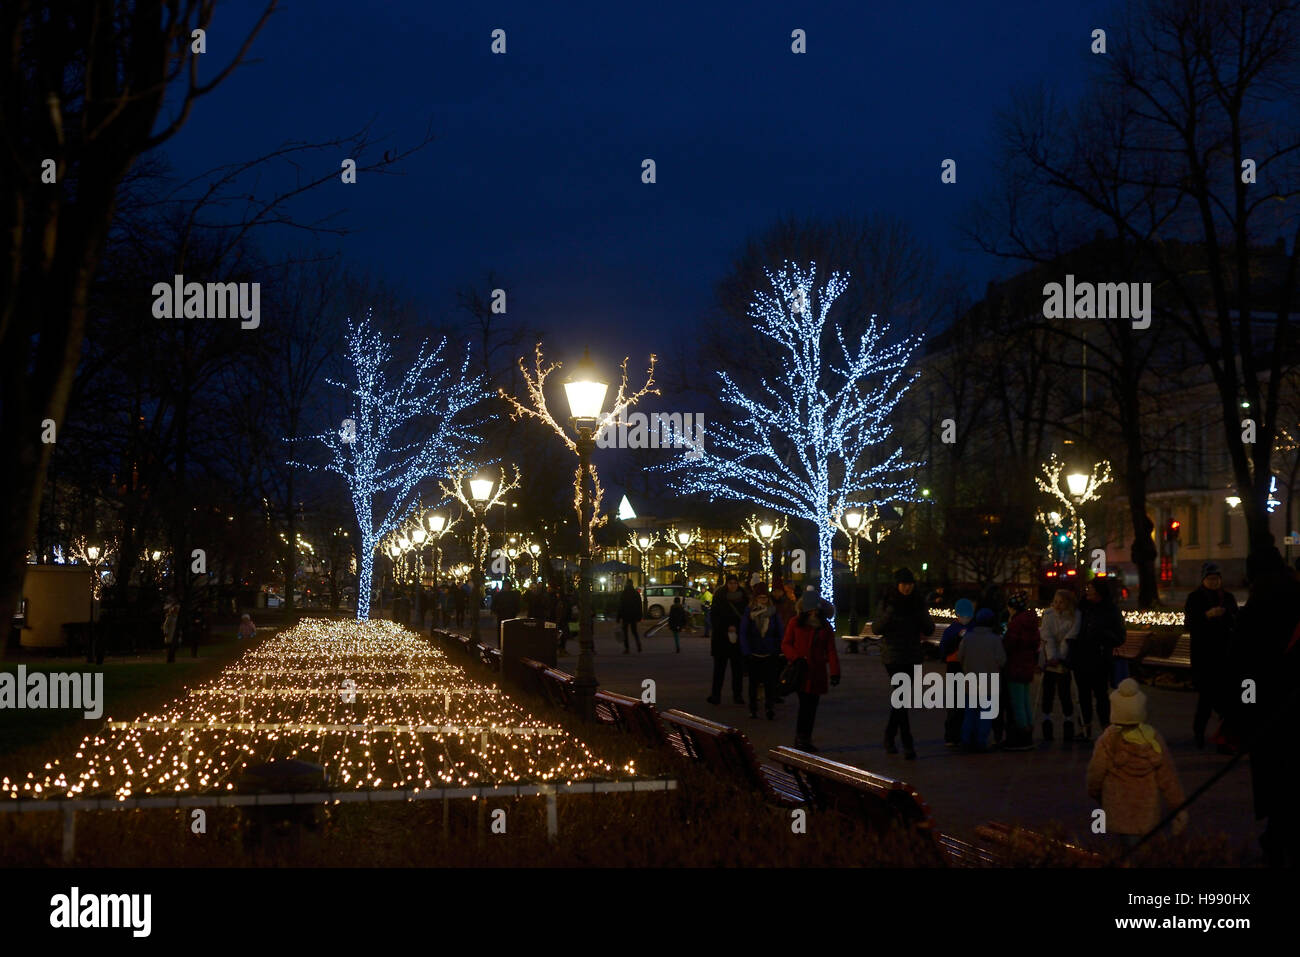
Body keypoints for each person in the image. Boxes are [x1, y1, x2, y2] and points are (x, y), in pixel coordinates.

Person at [1232, 547, 1300, 867]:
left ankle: (1277, 835)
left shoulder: (1254, 610)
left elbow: (1244, 669)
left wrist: (1249, 707)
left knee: (1273, 774)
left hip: (1267, 712)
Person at [1086, 678, 1187, 847]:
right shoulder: (1153, 739)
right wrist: (1178, 807)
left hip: (1117, 808)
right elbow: (1168, 778)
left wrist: (1097, 795)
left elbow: (1095, 774)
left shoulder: (1107, 740)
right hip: (1146, 811)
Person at [873, 567, 935, 760]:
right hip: (893, 654)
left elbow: (929, 628)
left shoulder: (918, 603)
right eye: (903, 584)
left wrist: (922, 618)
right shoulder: (887, 601)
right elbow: (877, 628)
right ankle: (907, 741)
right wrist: (889, 614)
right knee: (901, 696)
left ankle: (890, 736)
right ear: (896, 584)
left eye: (910, 584)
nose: (906, 588)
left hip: (912, 654)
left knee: (902, 699)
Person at [1183, 561, 1238, 749]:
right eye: (1210, 578)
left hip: (1224, 656)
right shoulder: (1195, 598)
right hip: (1204, 656)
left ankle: (1225, 736)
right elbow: (1190, 624)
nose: (1214, 582)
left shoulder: (1228, 597)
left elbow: (1235, 620)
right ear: (1204, 579)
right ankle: (1199, 733)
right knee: (1206, 698)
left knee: (1224, 698)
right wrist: (1206, 616)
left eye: (1217, 578)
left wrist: (1226, 614)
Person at [781, 596, 840, 750]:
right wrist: (795, 658)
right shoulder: (795, 623)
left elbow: (831, 650)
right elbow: (786, 644)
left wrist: (835, 672)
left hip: (817, 672)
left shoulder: (824, 626)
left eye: (816, 609)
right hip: (801, 671)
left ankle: (804, 738)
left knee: (811, 707)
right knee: (805, 706)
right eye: (811, 609)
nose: (814, 612)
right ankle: (801, 738)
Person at [1073, 577, 1125, 740]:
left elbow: (1119, 636)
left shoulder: (1110, 610)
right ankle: (1085, 726)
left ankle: (1105, 727)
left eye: (1091, 588)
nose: (1088, 591)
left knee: (1101, 694)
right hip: (1081, 657)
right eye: (1087, 588)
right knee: (1083, 695)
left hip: (1100, 657)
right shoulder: (1082, 607)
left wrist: (1102, 634)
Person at [957, 607, 1006, 752]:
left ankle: (966, 740)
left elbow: (960, 657)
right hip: (989, 682)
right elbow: (1002, 660)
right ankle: (981, 740)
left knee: (970, 712)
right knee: (985, 713)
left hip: (970, 680)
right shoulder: (995, 639)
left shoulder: (968, 638)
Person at [1039, 589, 1080, 744]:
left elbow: (1070, 637)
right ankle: (1046, 720)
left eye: (1061, 602)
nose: (1057, 605)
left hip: (1065, 656)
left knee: (1064, 690)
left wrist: (1061, 657)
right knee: (1047, 690)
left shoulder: (1075, 616)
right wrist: (1051, 657)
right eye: (1055, 601)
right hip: (1051, 657)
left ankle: (1068, 720)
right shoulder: (1048, 616)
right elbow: (1047, 636)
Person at [1002, 591, 1041, 751]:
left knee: (1017, 702)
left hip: (1015, 665)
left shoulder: (1016, 623)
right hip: (1027, 664)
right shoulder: (1031, 622)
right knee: (1025, 700)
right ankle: (1029, 729)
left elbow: (1009, 644)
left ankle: (1022, 735)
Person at [740, 585, 782, 719]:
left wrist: (778, 648)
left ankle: (769, 707)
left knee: (770, 683)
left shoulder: (773, 612)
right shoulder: (749, 612)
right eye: (760, 597)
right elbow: (744, 632)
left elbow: (779, 632)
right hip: (754, 651)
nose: (763, 600)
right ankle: (753, 708)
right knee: (753, 683)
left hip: (769, 651)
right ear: (756, 598)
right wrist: (746, 651)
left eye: (765, 598)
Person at [938, 598, 974, 746]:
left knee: (957, 702)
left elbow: (943, 650)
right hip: (963, 667)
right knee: (960, 702)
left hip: (956, 666)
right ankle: (955, 734)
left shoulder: (951, 630)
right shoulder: (972, 629)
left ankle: (954, 734)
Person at [707, 574, 748, 705]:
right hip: (721, 638)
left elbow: (746, 618)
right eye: (730, 583)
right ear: (726, 584)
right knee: (719, 669)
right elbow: (714, 617)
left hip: (738, 638)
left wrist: (737, 628)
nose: (733, 585)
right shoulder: (719, 596)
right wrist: (726, 628)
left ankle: (738, 695)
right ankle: (716, 695)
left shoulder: (744, 597)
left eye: (735, 583)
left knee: (738, 670)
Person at [616, 580, 643, 653]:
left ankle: (627, 648)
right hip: (633, 615)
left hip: (625, 615)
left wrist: (618, 617)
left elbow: (620, 606)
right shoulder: (636, 593)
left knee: (625, 632)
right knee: (634, 631)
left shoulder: (624, 593)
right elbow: (639, 606)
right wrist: (639, 616)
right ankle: (638, 645)